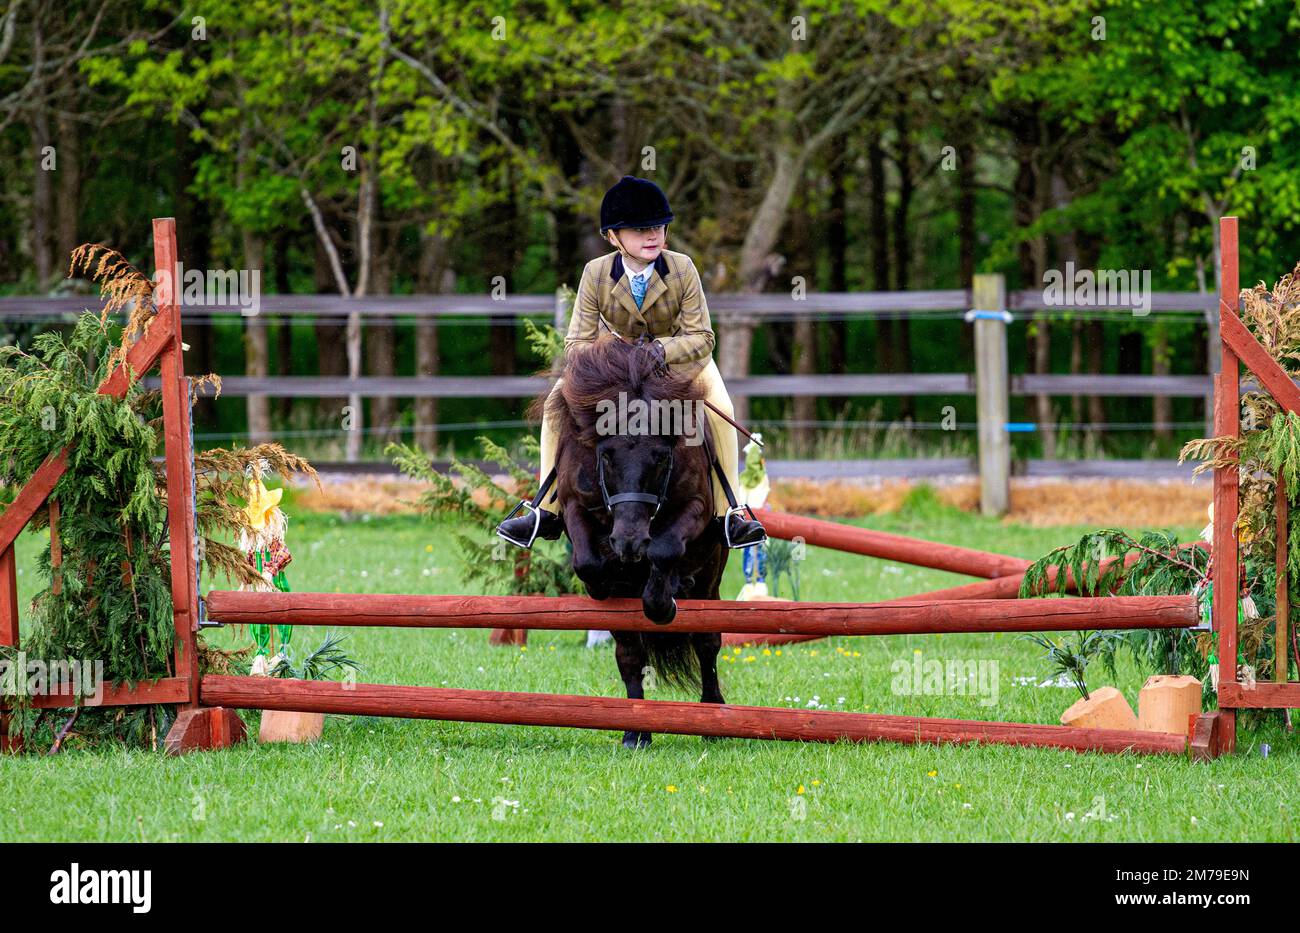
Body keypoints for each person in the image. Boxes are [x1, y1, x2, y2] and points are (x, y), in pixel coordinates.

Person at [497, 175, 766, 550]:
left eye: (657, 227)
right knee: (556, 406)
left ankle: (729, 513)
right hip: (614, 373)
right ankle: (546, 508)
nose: (652, 236)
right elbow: (576, 343)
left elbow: (703, 339)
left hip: (680, 365)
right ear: (613, 237)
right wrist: (615, 357)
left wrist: (658, 351)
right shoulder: (596, 273)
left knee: (723, 406)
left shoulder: (682, 268)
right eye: (640, 230)